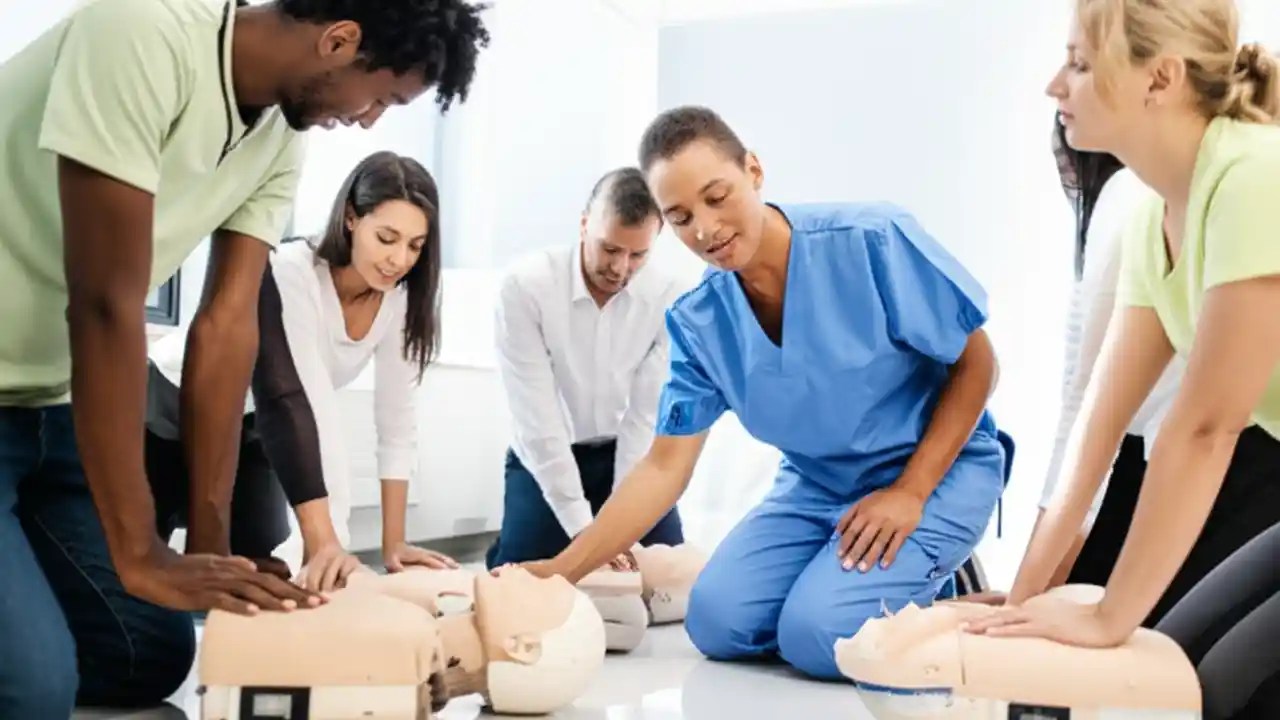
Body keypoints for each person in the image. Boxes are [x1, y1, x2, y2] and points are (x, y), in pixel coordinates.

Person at [0, 0, 488, 714]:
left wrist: (210, 545)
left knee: (149, 654)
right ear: (339, 40)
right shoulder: (140, 31)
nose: (369, 119)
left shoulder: (280, 138)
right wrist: (138, 550)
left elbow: (227, 326)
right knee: (32, 694)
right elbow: (106, 301)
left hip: (51, 408)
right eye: (381, 95)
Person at [519, 106, 1010, 681]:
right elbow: (664, 466)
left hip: (934, 475)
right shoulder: (702, 319)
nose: (704, 229)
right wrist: (562, 570)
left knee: (818, 637)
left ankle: (943, 593)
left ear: (753, 170)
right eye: (679, 217)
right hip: (817, 486)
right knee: (717, 623)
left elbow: (979, 361)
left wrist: (910, 490)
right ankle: (874, 593)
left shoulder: (871, 240)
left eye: (716, 196)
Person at [965, 1, 1280, 717]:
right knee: (1178, 666)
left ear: (1159, 78)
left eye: (1078, 64)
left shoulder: (1256, 176)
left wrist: (1108, 617)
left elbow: (1204, 429)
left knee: (1232, 689)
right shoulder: (1154, 212)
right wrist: (1016, 611)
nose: (1054, 85)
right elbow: (1096, 431)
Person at [146, 151, 460, 592]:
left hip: (255, 425)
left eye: (415, 245)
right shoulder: (292, 271)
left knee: (264, 569)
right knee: (132, 576)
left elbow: (396, 423)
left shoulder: (398, 300)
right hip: (171, 407)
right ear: (351, 218)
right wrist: (331, 544)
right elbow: (304, 403)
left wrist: (394, 544)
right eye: (386, 238)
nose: (398, 259)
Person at [487, 167, 688, 569]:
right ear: (584, 225)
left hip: (630, 458)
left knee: (666, 575)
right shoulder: (526, 287)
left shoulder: (670, 297)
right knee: (522, 576)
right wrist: (586, 535)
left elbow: (644, 417)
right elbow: (538, 422)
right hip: (548, 456)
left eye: (637, 254)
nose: (621, 267)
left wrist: (620, 526)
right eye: (610, 249)